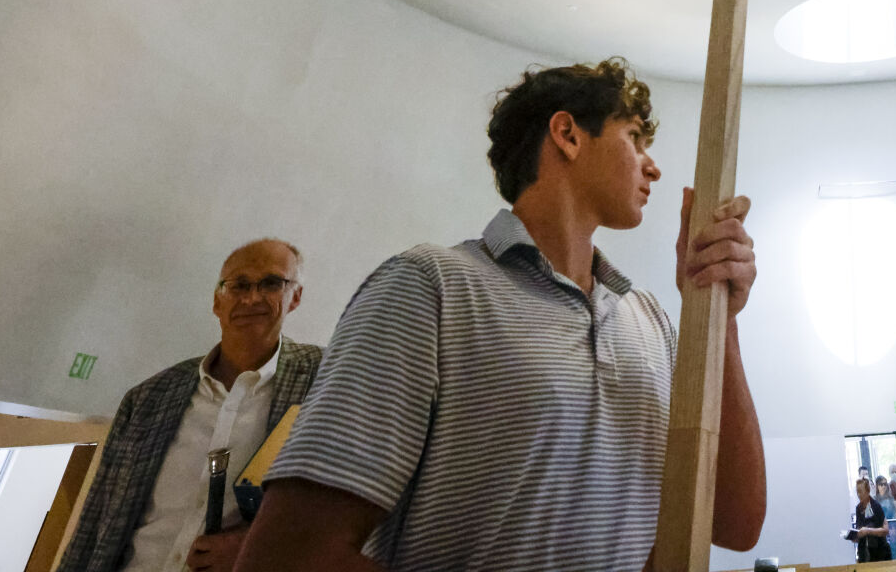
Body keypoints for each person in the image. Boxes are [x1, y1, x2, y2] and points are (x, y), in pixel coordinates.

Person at [236, 59, 766, 572]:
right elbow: (286, 557)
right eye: (634, 139)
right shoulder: (430, 286)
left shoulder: (647, 319)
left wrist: (717, 315)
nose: (652, 166)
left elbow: (733, 525)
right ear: (568, 134)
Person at [59, 239, 321, 572]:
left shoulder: (325, 382)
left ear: (294, 296)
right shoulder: (148, 398)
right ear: (217, 301)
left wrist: (259, 546)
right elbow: (96, 518)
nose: (252, 297)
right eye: (238, 285)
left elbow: (348, 508)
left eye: (271, 283)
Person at [848, 476, 894, 563]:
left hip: (879, 551)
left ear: (867, 491)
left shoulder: (876, 506)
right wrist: (855, 536)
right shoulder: (858, 508)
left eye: (861, 492)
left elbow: (885, 530)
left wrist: (868, 531)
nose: (859, 495)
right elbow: (859, 529)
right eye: (857, 492)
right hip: (864, 553)